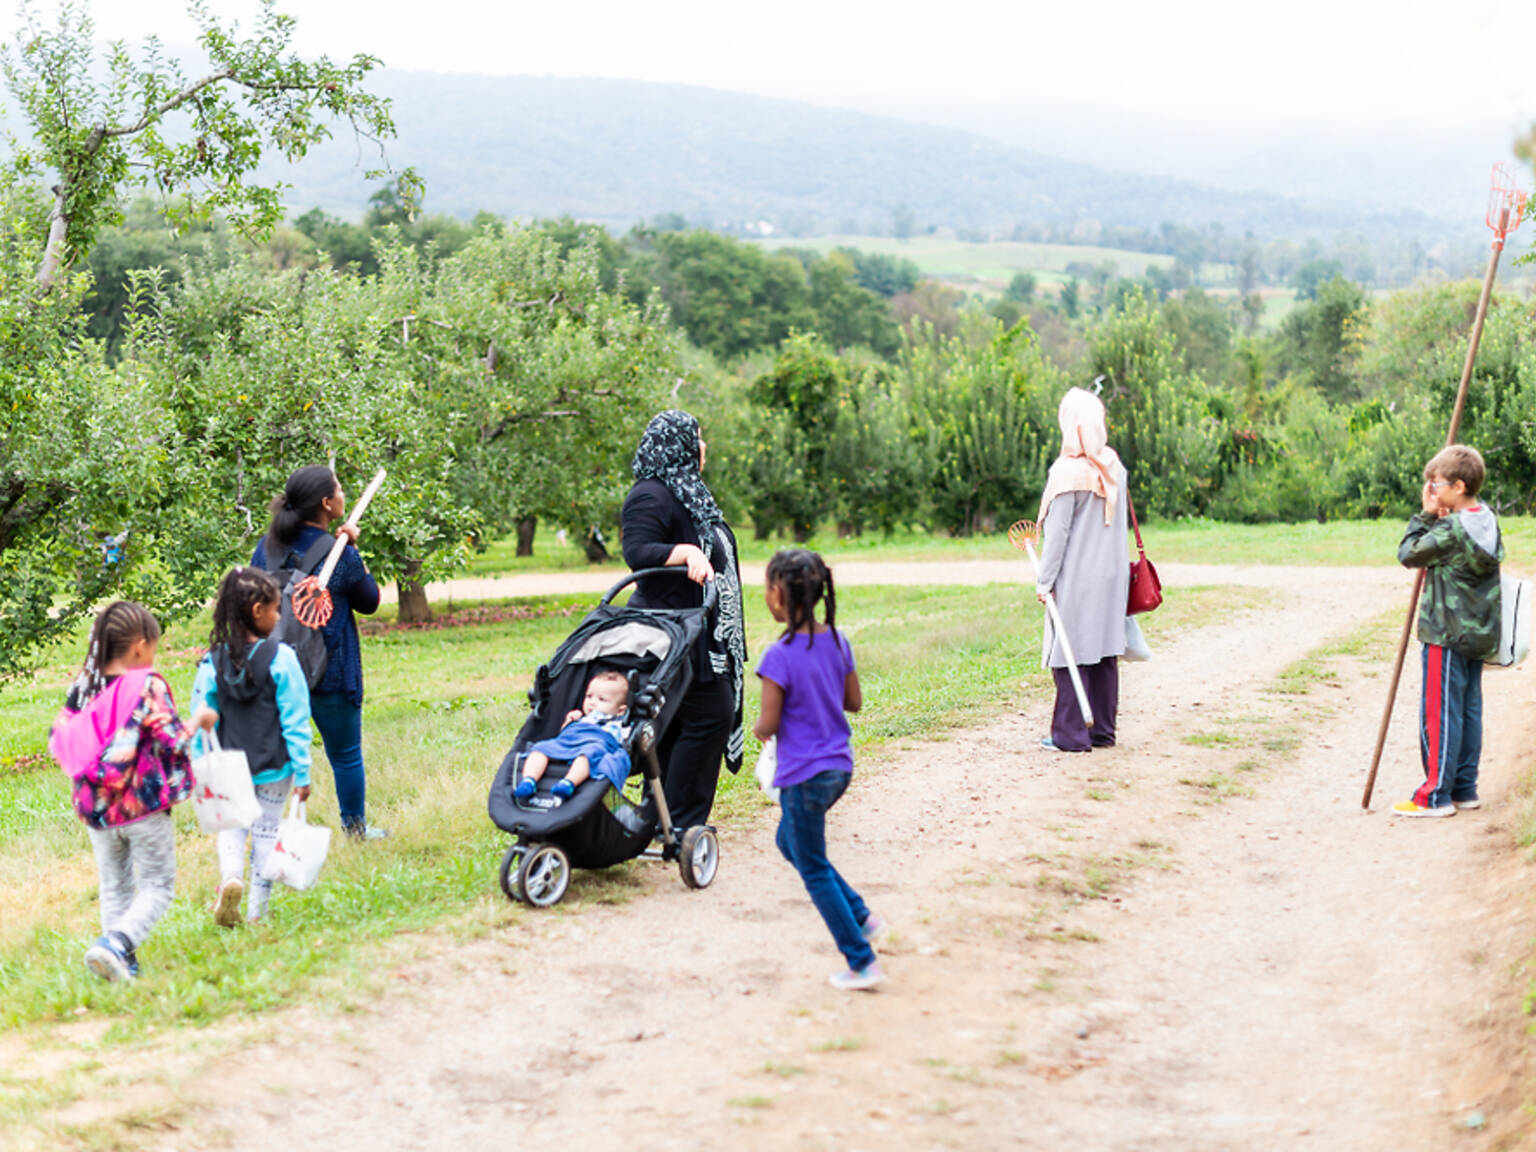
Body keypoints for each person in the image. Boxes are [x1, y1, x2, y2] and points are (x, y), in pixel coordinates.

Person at [47, 601, 215, 981]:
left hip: (98, 811)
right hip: (143, 808)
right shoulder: (147, 684)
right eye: (154, 647)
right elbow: (173, 741)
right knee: (158, 887)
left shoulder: (82, 688)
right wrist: (199, 720)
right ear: (140, 645)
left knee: (114, 888)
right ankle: (116, 944)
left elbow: (60, 743)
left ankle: (122, 961)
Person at [754, 549, 884, 991]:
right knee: (790, 842)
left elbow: (767, 725)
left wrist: (757, 729)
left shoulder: (778, 657)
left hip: (803, 776)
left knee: (810, 865)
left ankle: (861, 959)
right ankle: (860, 914)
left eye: (767, 586)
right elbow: (854, 702)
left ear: (779, 595)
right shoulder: (838, 641)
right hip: (838, 769)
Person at [621, 410, 746, 831]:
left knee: (679, 722)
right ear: (678, 444)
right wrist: (686, 553)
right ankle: (679, 822)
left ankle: (661, 819)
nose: (703, 444)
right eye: (698, 436)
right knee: (707, 715)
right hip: (669, 630)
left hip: (698, 630)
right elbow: (638, 551)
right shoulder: (651, 493)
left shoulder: (686, 491)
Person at [253, 466, 387, 840]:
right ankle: (355, 829)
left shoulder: (266, 548)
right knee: (345, 754)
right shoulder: (338, 553)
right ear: (327, 504)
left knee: (275, 758)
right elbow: (370, 601)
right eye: (339, 488)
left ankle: (267, 831)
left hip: (275, 668)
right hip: (330, 669)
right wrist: (353, 551)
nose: (344, 493)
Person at [191, 567, 314, 924]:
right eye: (276, 609)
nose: (279, 617)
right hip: (275, 767)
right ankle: (258, 914)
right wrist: (302, 772)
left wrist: (203, 766)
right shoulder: (283, 659)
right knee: (266, 836)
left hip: (228, 767)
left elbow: (201, 713)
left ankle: (231, 876)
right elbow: (296, 720)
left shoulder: (210, 662)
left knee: (232, 828)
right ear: (258, 610)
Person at [1393, 444, 1502, 818]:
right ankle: (1464, 788)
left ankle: (1434, 795)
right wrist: (1441, 515)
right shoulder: (1485, 517)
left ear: (1457, 485)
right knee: (1468, 709)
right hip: (1477, 633)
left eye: (1436, 484)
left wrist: (1425, 515)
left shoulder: (1451, 531)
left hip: (1446, 633)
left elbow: (1408, 553)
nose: (1431, 490)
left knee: (1440, 712)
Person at [1034, 387, 1130, 753]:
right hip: (1112, 575)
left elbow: (1056, 536)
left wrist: (1044, 580)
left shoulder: (1067, 472)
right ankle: (1102, 730)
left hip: (1077, 578)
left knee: (1069, 651)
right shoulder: (1113, 466)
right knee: (1104, 651)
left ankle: (1070, 735)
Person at [514, 670, 630, 800]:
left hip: (593, 743)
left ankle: (569, 782)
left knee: (588, 754)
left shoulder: (618, 723)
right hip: (568, 742)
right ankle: (529, 780)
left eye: (601, 699)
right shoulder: (581, 717)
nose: (592, 702)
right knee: (540, 748)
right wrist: (568, 723)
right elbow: (563, 734)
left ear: (620, 710)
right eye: (589, 696)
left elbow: (622, 743)